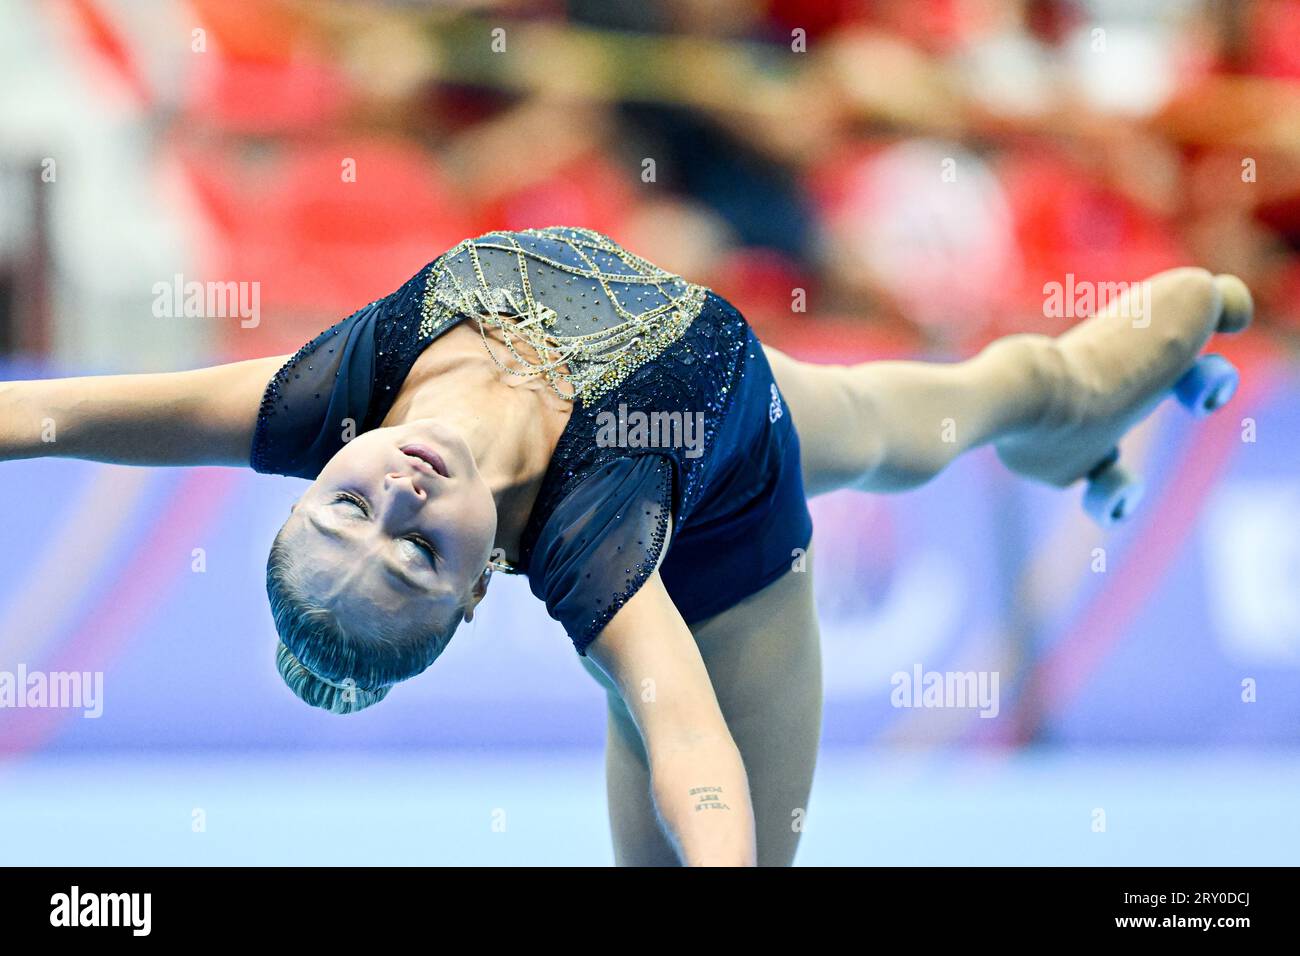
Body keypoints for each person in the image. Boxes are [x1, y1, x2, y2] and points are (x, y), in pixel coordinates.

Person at [0, 226, 1251, 866]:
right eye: (419, 555)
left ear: (306, 477)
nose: (399, 500)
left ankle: (1070, 430)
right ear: (478, 589)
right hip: (726, 559)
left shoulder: (314, 399)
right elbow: (692, 739)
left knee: (993, 397)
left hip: (766, 410)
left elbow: (46, 416)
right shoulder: (594, 547)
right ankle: (1076, 434)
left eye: (346, 508)